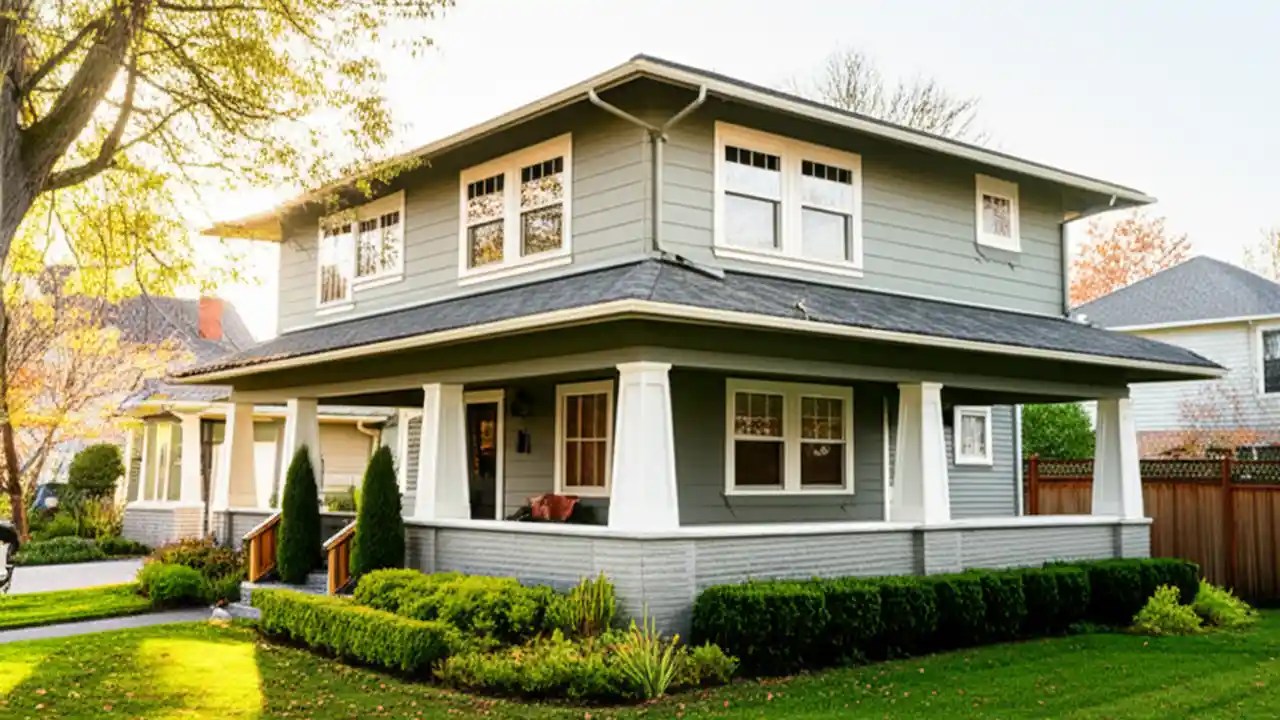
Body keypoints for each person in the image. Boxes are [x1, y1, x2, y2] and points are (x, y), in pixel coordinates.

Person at [0, 521, 18, 594]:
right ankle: (6, 582)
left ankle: (7, 582)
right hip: (12, 537)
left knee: (9, 559)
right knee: (9, 559)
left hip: (12, 538)